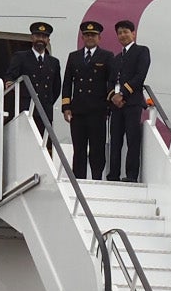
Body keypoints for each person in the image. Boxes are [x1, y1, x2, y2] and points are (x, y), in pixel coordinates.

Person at [61, 18, 115, 178]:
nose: (90, 38)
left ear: (99, 38)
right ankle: (79, 178)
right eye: (87, 35)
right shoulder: (74, 57)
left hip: (97, 111)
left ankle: (97, 177)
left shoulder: (106, 56)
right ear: (82, 37)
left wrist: (108, 106)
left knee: (97, 148)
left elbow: (110, 82)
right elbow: (67, 83)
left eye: (93, 35)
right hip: (78, 110)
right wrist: (66, 106)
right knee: (79, 148)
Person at [107, 17, 150, 181]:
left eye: (126, 32)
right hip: (117, 106)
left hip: (132, 103)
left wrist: (123, 93)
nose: (123, 35)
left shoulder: (142, 51)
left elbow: (140, 75)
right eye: (119, 33)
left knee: (132, 140)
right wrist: (113, 97)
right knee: (115, 141)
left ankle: (131, 175)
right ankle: (113, 174)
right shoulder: (116, 58)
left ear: (134, 33)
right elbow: (110, 81)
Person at [9, 21, 59, 138]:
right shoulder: (20, 57)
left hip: (44, 111)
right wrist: (8, 83)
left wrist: (48, 102)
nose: (40, 39)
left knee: (43, 143)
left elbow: (56, 87)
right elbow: (10, 76)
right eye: (38, 36)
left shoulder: (54, 62)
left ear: (48, 40)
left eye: (44, 37)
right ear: (32, 38)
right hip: (25, 109)